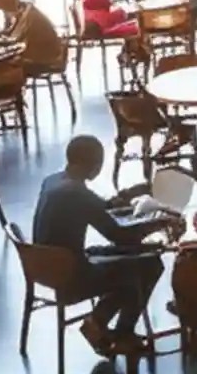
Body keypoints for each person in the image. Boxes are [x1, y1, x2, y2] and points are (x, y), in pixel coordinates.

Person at [32, 136, 170, 356]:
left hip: (49, 267)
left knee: (136, 256)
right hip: (72, 276)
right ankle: (117, 331)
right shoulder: (77, 194)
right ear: (92, 165)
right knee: (149, 265)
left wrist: (123, 197)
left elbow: (98, 207)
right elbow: (120, 236)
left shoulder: (54, 181)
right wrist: (159, 223)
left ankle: (98, 324)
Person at [0, 0, 64, 76]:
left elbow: (16, 40)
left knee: (1, 66)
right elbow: (12, 33)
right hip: (39, 52)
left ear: (6, 2)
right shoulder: (24, 9)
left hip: (44, 58)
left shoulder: (29, 15)